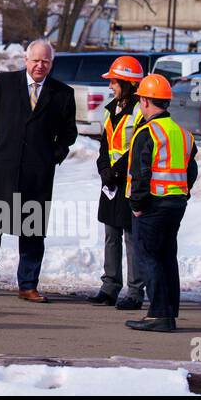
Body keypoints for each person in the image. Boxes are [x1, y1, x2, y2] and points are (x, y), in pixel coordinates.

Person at [0, 39, 77, 302]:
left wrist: (52, 157)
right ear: (26, 60)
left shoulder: (62, 94)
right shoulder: (5, 84)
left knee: (32, 228)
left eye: (45, 61)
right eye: (36, 60)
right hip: (3, 166)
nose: (40, 65)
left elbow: (69, 133)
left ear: (51, 63)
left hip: (37, 172)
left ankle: (27, 284)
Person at [125, 73, 199, 333]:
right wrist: (183, 193)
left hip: (153, 206)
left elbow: (140, 174)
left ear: (145, 101)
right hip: (176, 204)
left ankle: (158, 314)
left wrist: (137, 204)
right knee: (167, 257)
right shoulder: (182, 134)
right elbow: (191, 171)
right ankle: (167, 314)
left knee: (149, 257)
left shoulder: (147, 132)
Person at [87, 56, 147, 310]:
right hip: (110, 182)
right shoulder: (110, 109)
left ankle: (135, 292)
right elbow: (105, 144)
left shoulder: (140, 111)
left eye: (113, 81)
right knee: (111, 235)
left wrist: (117, 171)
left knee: (132, 238)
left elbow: (138, 146)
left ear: (127, 82)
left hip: (129, 181)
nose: (110, 86)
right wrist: (103, 169)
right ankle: (110, 287)